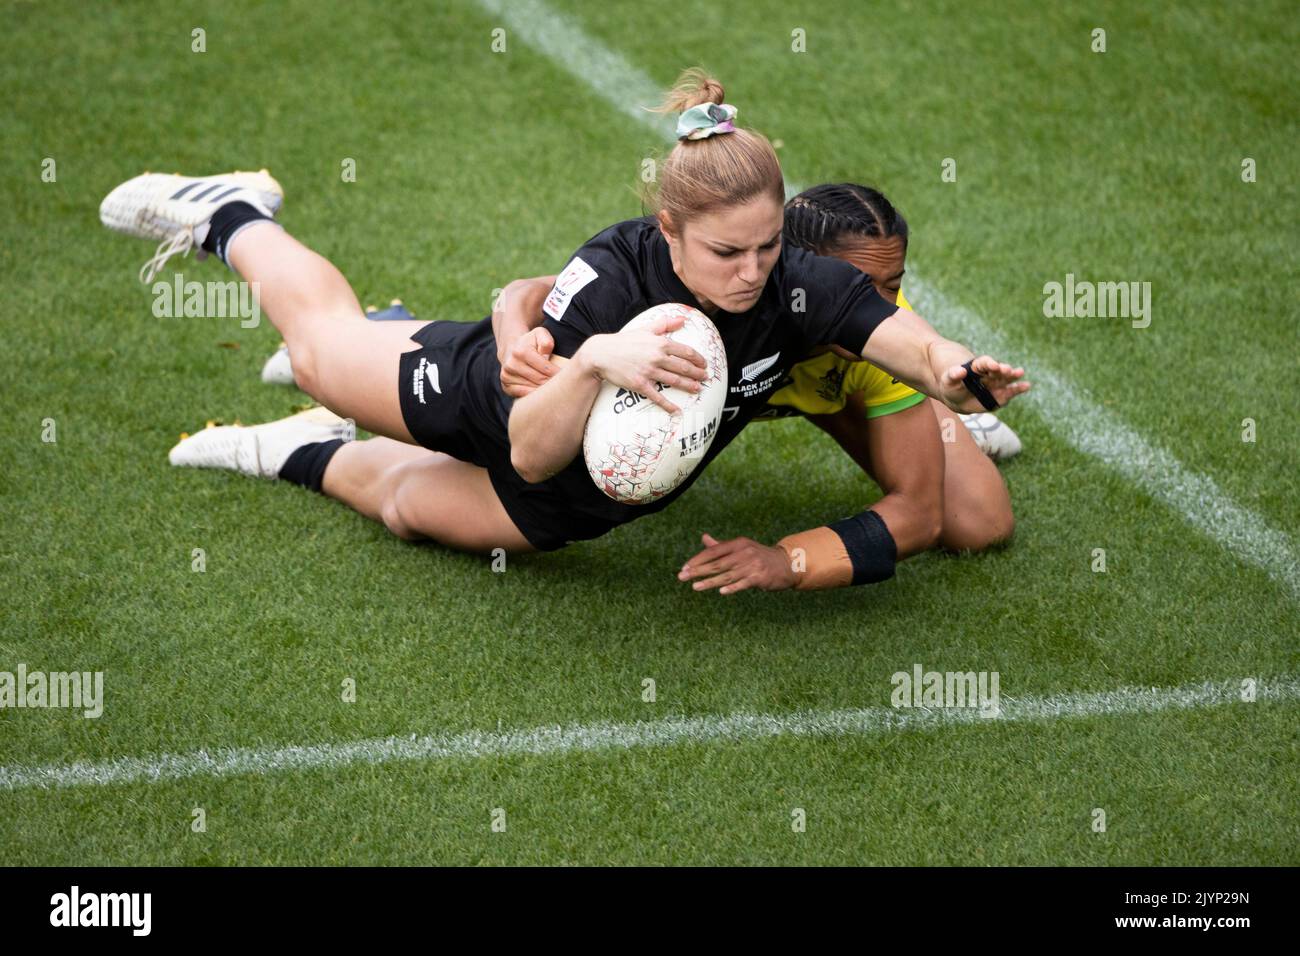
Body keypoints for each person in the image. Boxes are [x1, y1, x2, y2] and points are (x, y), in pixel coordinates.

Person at [98, 69, 1028, 590]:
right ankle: (231, 216)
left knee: (404, 509)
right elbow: (532, 451)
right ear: (670, 232)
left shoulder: (796, 283)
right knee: (316, 347)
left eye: (768, 245)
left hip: (579, 509)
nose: (754, 271)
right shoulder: (612, 273)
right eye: (727, 253)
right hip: (487, 405)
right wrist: (592, 361)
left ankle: (297, 444)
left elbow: (898, 338)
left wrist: (956, 370)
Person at [495, 183, 1018, 582]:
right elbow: (524, 291)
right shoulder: (720, 292)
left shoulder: (877, 337)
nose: (875, 305)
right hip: (786, 374)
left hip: (834, 390)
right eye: (855, 285)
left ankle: (945, 420)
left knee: (978, 523)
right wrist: (514, 344)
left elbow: (921, 516)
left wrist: (793, 560)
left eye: (892, 287)